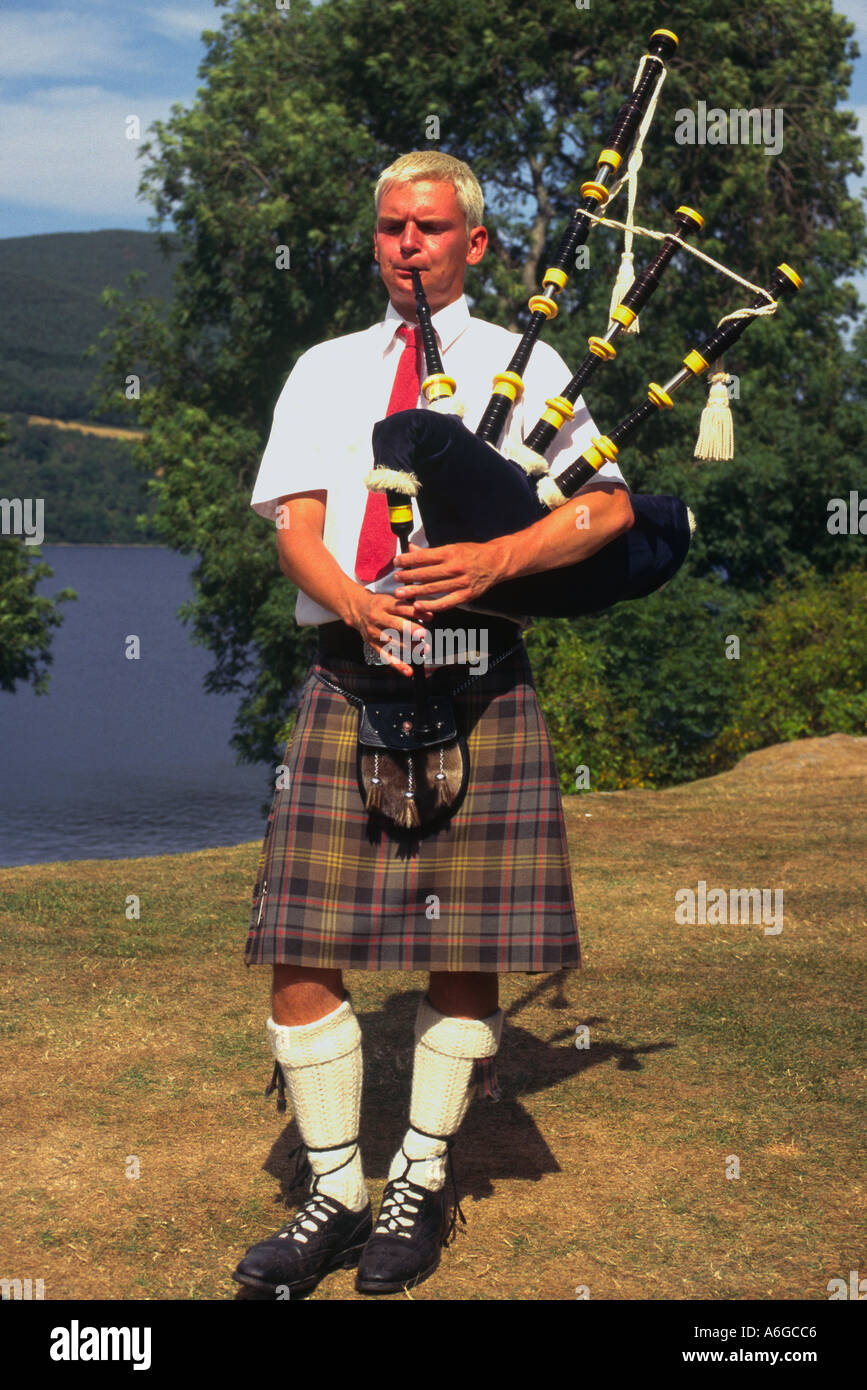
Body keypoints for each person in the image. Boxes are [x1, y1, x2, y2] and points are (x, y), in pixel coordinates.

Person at [233, 151, 633, 1298]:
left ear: (476, 245)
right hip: (350, 669)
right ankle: (334, 1189)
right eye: (391, 228)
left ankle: (417, 1176)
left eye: (431, 228)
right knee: (298, 948)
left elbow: (605, 507)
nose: (408, 245)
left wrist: (504, 554)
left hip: (480, 676)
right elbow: (297, 526)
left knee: (466, 947)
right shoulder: (325, 368)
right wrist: (356, 599)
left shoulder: (532, 363)